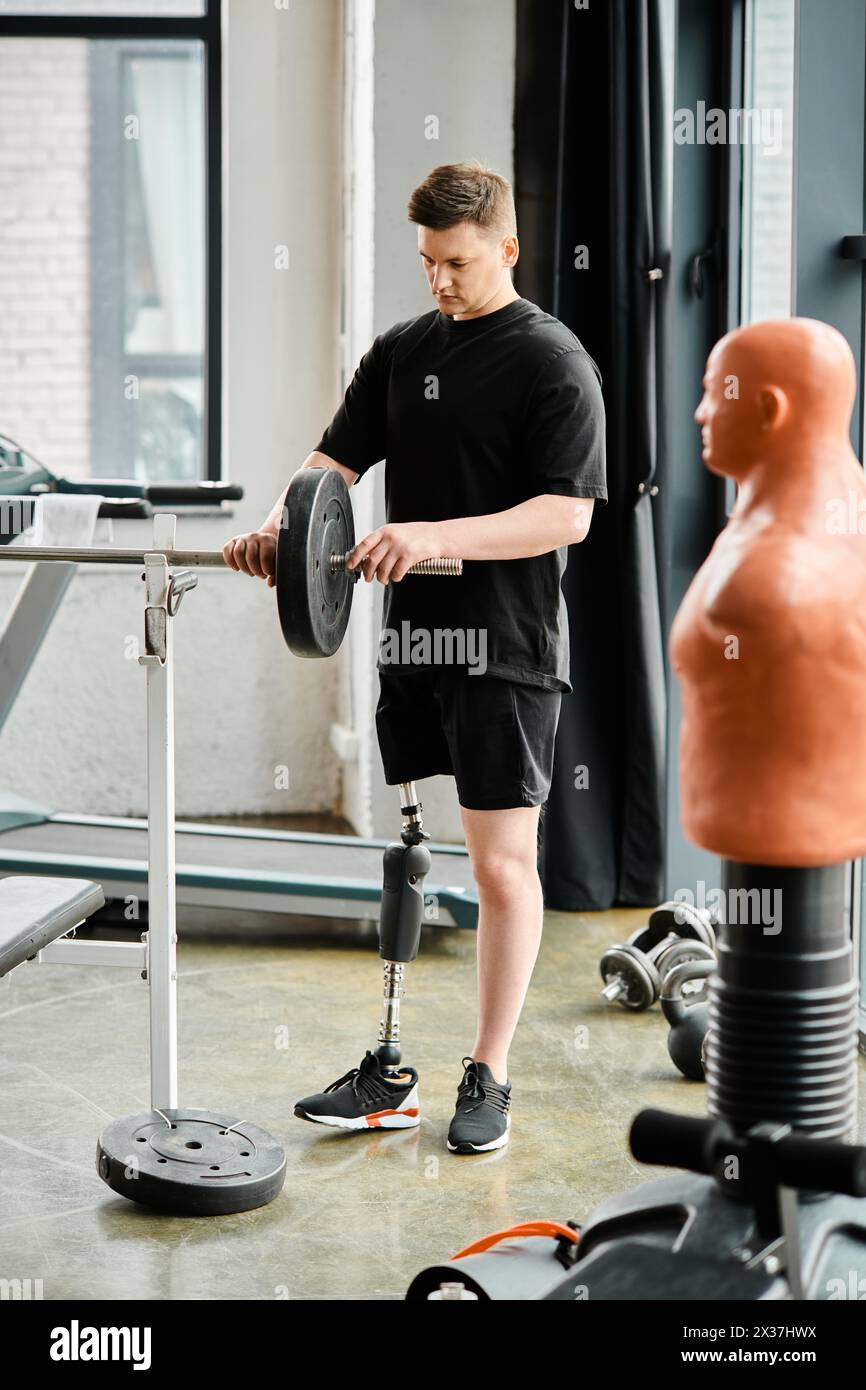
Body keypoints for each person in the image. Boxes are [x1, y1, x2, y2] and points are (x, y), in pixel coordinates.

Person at [223, 160, 607, 1153]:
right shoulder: (402, 353)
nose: (438, 280)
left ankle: (490, 1070)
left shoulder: (550, 361)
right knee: (408, 850)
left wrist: (433, 535)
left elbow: (563, 514)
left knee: (500, 866)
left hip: (504, 650)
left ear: (507, 249)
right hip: (411, 644)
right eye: (428, 262)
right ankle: (388, 1070)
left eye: (458, 262)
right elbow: (329, 468)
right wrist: (272, 525)